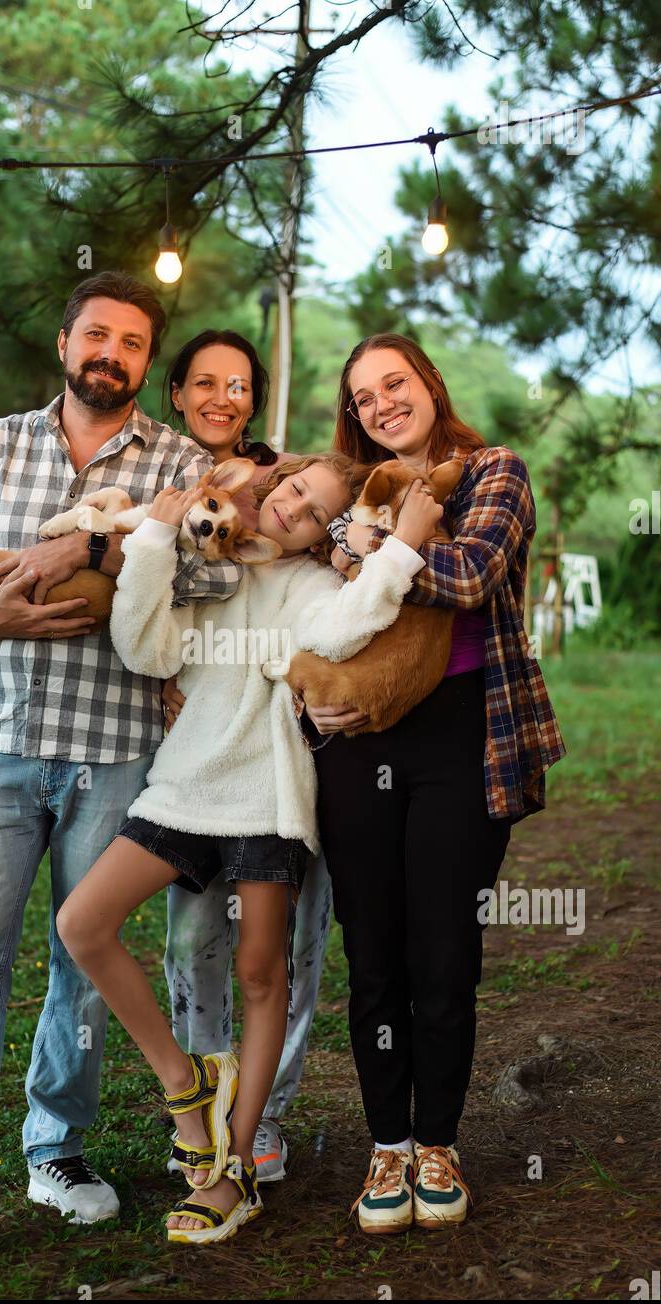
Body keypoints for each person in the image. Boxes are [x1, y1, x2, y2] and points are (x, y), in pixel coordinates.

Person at [0, 271, 242, 1281]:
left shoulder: (179, 459)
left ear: (143, 362)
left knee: (81, 958)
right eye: (98, 334)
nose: (111, 353)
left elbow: (213, 581)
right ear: (65, 342)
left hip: (117, 745)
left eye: (131, 342)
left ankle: (55, 1152)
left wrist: (97, 543)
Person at [55, 451, 443, 1244]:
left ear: (321, 533)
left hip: (267, 799)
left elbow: (347, 626)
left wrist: (398, 547)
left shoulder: (311, 587)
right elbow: (148, 652)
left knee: (261, 974)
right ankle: (184, 1080)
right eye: (292, 491)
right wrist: (157, 543)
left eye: (312, 512)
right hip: (183, 787)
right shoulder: (208, 563)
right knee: (81, 925)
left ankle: (234, 1168)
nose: (291, 510)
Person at [303, 332, 567, 1234]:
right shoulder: (352, 493)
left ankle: (436, 1140)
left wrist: (380, 553)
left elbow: (468, 576)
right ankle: (385, 1145)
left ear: (428, 383)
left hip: (463, 735)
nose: (381, 405)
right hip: (360, 733)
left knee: (443, 948)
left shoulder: (495, 471)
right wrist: (374, 547)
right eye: (364, 397)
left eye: (394, 384)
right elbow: (325, 594)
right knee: (371, 946)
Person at [160, 329, 333, 1183]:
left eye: (237, 383)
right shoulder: (157, 477)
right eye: (203, 382)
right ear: (178, 395)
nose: (220, 396)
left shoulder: (280, 477)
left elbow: (333, 527)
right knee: (195, 937)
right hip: (190, 752)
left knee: (291, 945)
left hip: (284, 752)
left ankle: (264, 1116)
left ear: (252, 398)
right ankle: (202, 1102)